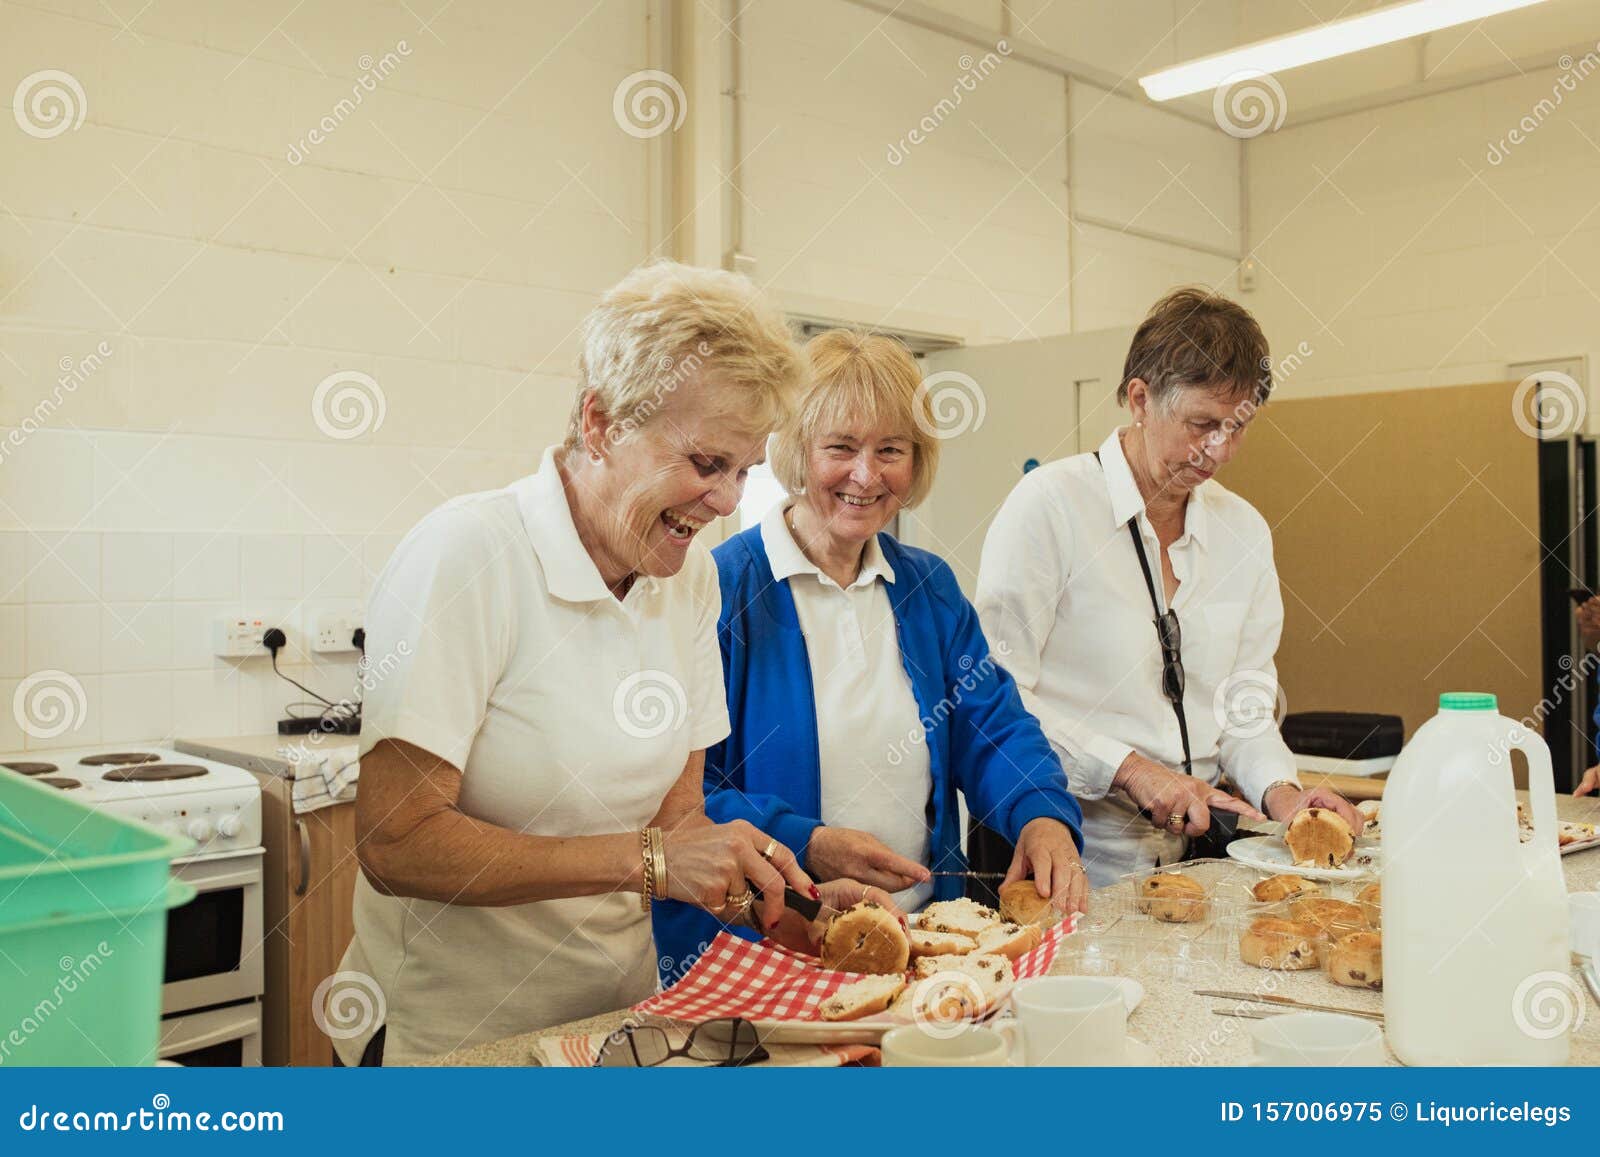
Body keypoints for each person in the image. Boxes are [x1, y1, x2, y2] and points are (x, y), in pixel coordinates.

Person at [334, 262, 831, 1065]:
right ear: (600, 423)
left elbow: (679, 825)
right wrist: (649, 861)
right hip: (455, 1047)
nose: (729, 501)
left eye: (745, 471)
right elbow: (396, 844)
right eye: (707, 463)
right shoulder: (470, 555)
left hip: (611, 1036)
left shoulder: (689, 579)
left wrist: (792, 902)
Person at [652, 330, 1085, 977]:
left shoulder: (928, 586)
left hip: (920, 937)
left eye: (890, 450)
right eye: (841, 448)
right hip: (771, 945)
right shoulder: (721, 586)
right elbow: (680, 799)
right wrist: (808, 843)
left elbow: (991, 727)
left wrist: (1042, 814)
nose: (866, 474)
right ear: (798, 451)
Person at [976, 287, 1362, 887]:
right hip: (1067, 859)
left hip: (1199, 865)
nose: (1220, 451)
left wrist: (1284, 794)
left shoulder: (1245, 531)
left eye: (1238, 428)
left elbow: (1245, 709)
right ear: (1139, 398)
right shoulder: (1049, 507)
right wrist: (1127, 769)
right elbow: (995, 695)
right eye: (1202, 425)